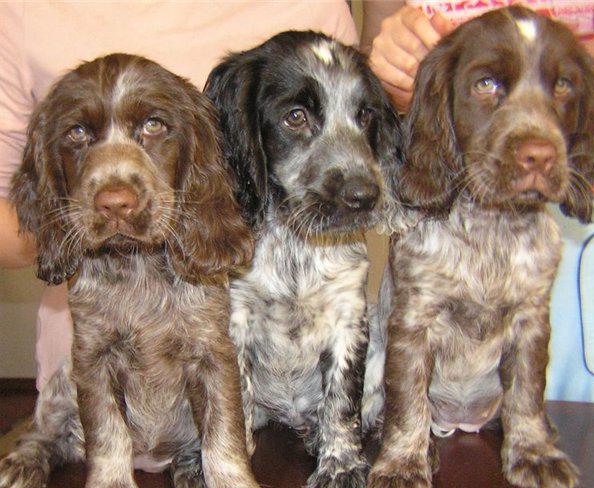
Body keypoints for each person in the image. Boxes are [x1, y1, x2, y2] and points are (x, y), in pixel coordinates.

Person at [0, 1, 358, 390]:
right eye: (79, 134)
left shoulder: (314, 6)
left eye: (154, 125)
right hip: (91, 388)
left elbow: (350, 143)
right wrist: (70, 226)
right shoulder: (23, 10)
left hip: (272, 394)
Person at [362, 0, 594, 405]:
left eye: (560, 86)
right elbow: (376, 50)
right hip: (444, 199)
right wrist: (388, 65)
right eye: (488, 84)